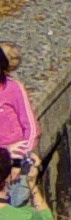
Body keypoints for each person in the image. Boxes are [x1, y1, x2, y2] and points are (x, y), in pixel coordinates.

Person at [0, 49, 33, 202]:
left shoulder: (13, 88)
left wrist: (20, 158)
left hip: (16, 158)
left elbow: (30, 127)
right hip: (3, 154)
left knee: (17, 203)